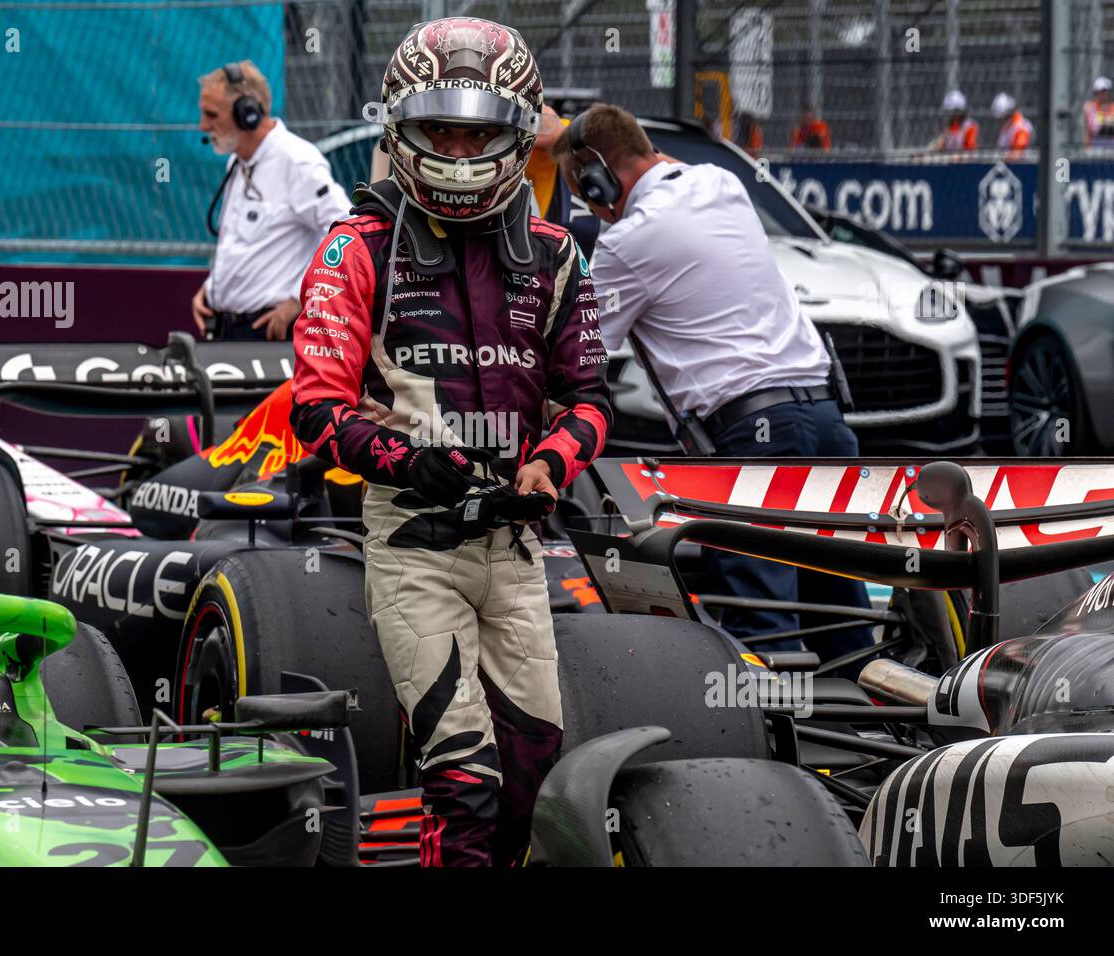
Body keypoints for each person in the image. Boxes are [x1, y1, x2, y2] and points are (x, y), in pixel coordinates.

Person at [289, 17, 612, 867]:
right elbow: (315, 409)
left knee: (533, 780)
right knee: (465, 781)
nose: (462, 151)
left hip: (515, 550)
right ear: (403, 126)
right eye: (443, 129)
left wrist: (549, 463)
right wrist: (409, 459)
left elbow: (590, 399)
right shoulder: (354, 247)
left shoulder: (553, 255)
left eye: (479, 131)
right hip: (411, 542)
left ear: (516, 130)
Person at [550, 102, 874, 667]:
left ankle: (768, 750)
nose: (592, 209)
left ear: (601, 180)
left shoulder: (629, 244)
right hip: (826, 422)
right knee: (842, 619)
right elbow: (653, 162)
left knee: (761, 634)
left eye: (587, 193)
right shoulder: (720, 183)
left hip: (756, 436)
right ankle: (873, 738)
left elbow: (576, 352)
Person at [193, 60, 351, 341]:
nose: (203, 125)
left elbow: (346, 234)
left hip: (267, 334)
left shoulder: (297, 162)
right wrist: (212, 289)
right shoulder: (239, 162)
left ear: (248, 115)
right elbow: (241, 244)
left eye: (212, 115)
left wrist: (300, 299)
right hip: (227, 329)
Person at [1084, 76, 1114, 148]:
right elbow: (1093, 127)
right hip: (1096, 143)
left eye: (1105, 91)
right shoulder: (1090, 107)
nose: (1103, 94)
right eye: (1101, 92)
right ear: (1096, 93)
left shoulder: (1112, 107)